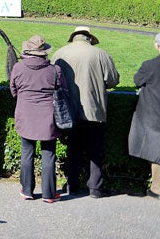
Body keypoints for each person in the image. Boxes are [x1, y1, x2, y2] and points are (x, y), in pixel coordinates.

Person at [52, 26, 120, 198]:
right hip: (94, 111)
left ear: (73, 37)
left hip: (68, 111)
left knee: (73, 149)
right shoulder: (100, 54)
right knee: (95, 151)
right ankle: (95, 188)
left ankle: (72, 185)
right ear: (89, 38)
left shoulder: (59, 54)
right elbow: (113, 80)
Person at [11, 35, 65, 202]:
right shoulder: (55, 70)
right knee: (49, 155)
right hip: (48, 117)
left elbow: (13, 90)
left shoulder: (18, 68)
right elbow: (62, 91)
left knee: (27, 153)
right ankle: (49, 194)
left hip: (25, 115)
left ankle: (27, 190)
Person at [128, 32, 160, 200]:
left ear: (156, 45)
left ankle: (158, 189)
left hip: (155, 115)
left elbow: (137, 81)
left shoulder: (149, 65)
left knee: (157, 151)